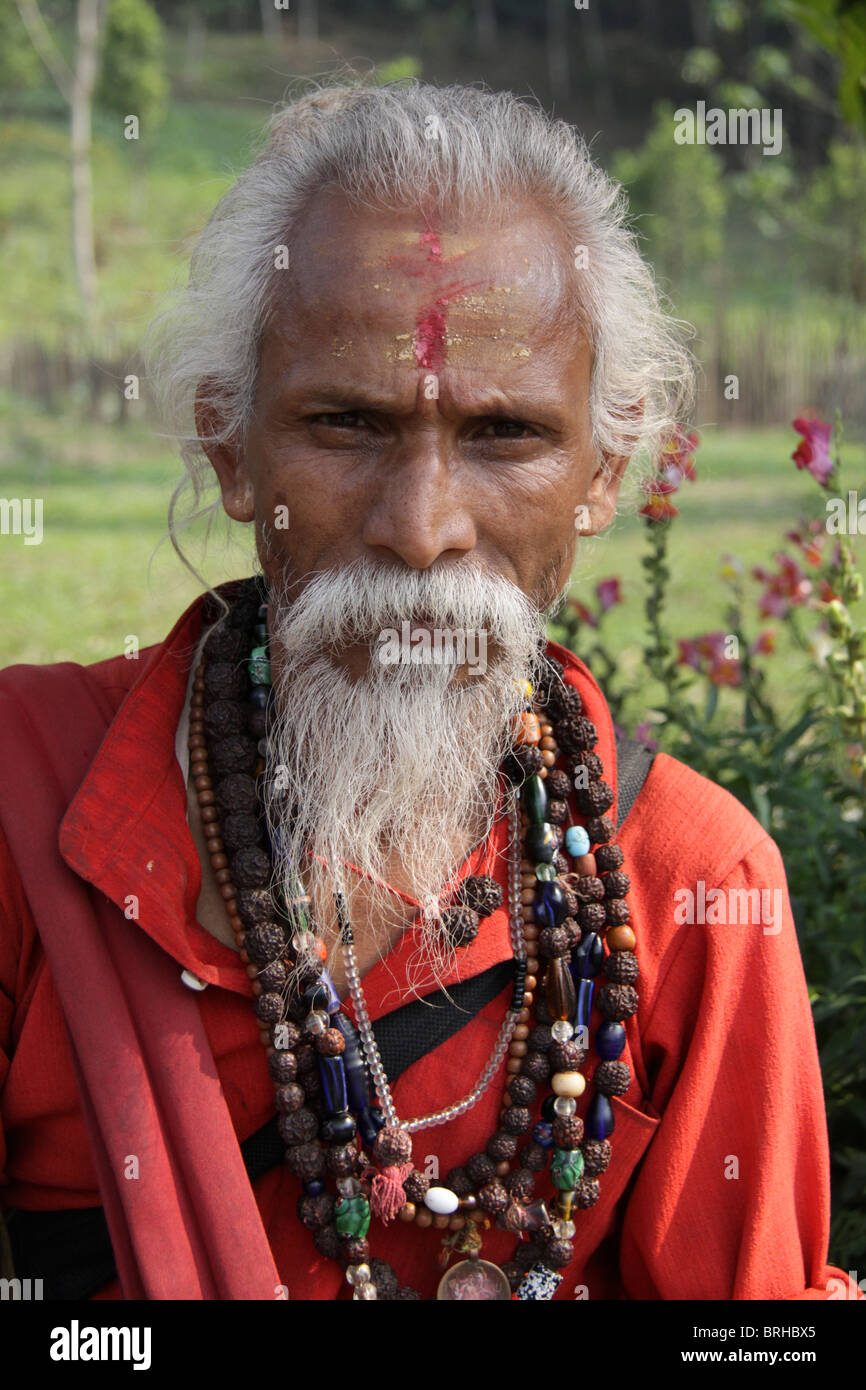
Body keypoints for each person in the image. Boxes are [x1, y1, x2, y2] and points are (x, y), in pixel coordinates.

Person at [0, 80, 858, 1302]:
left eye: (505, 434)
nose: (421, 529)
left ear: (603, 475)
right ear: (230, 450)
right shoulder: (27, 791)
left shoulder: (694, 887)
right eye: (344, 424)